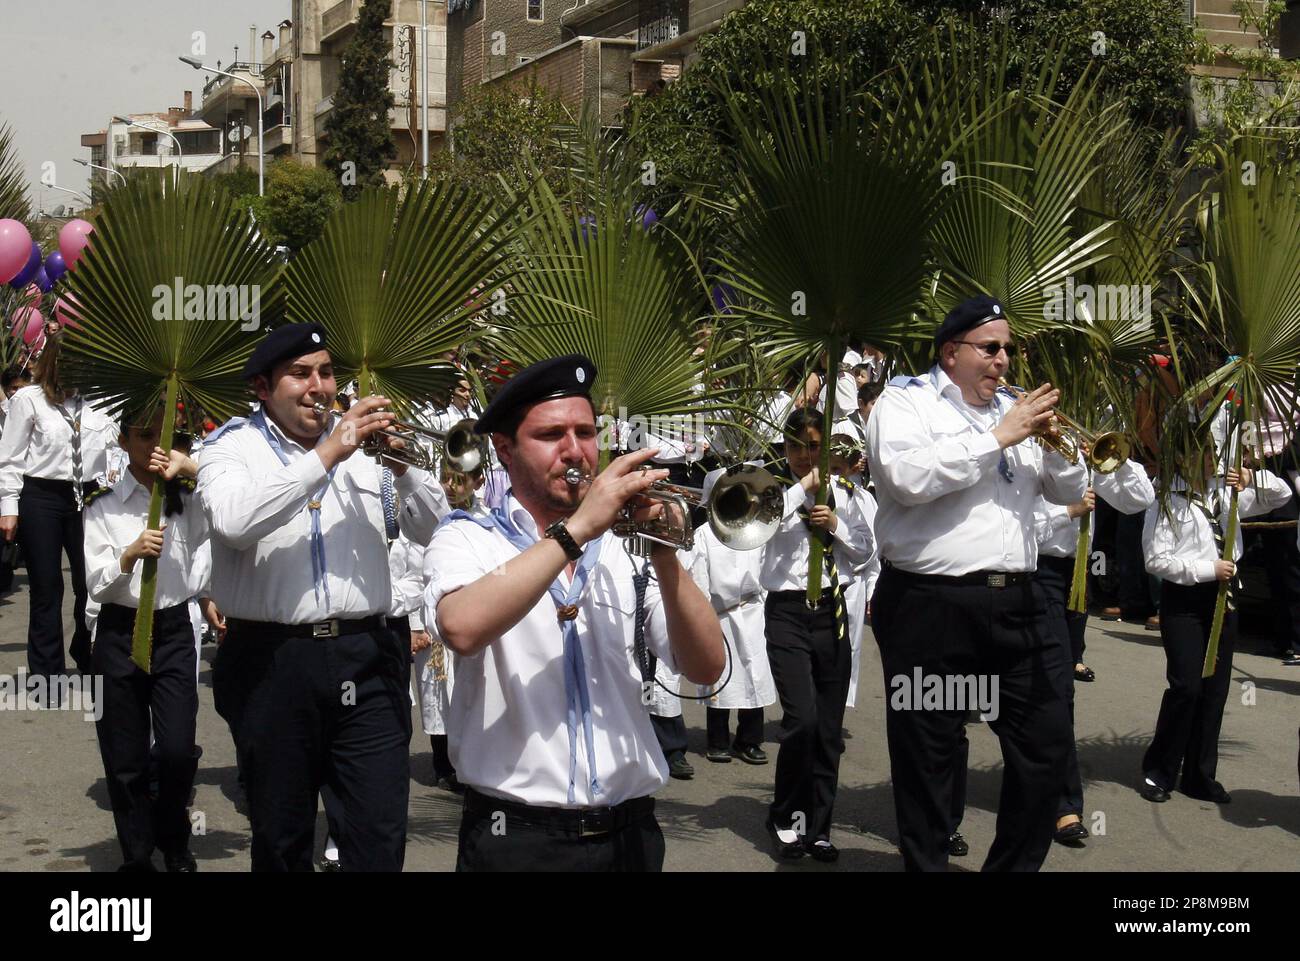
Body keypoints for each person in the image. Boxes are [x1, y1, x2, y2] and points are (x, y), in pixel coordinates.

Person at [422, 353, 725, 872]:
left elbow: (705, 667)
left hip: (629, 835)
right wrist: (578, 531)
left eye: (586, 433)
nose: (575, 452)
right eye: (550, 435)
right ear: (503, 448)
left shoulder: (627, 548)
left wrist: (666, 552)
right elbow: (462, 628)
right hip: (514, 838)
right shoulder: (467, 538)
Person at [199, 322, 445, 872]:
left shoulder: (368, 450)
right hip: (273, 660)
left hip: (368, 652)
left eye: (327, 373)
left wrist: (405, 471)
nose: (320, 387)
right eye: (300, 374)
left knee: (378, 833)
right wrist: (330, 452)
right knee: (281, 835)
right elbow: (235, 522)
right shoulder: (229, 447)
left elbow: (434, 530)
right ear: (262, 388)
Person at [865, 295, 1087, 872]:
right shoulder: (904, 401)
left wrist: (1059, 446)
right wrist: (1000, 438)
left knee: (1046, 747)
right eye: (990, 348)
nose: (1003, 361)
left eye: (1008, 349)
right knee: (929, 757)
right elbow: (908, 478)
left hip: (1021, 599)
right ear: (951, 352)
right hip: (931, 605)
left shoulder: (1013, 409)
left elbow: (1067, 493)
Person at [83, 407, 217, 872]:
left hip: (174, 629)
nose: (153, 444)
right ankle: (137, 855)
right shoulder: (102, 504)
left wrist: (204, 595)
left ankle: (173, 837)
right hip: (120, 630)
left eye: (163, 435)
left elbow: (212, 542)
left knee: (178, 749)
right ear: (122, 442)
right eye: (142, 435)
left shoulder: (186, 496)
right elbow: (97, 583)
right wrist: (129, 554)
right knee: (125, 757)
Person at [1139, 456, 1289, 804]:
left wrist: (1252, 477)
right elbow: (1155, 559)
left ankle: (1199, 774)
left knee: (1215, 690)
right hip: (1185, 599)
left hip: (1225, 597)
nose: (1213, 462)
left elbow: (1280, 495)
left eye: (1214, 455)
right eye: (1204, 455)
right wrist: (1209, 569)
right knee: (1186, 686)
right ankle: (1158, 770)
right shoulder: (1166, 499)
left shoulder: (1229, 493)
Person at [761, 408, 874, 863]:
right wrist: (803, 489)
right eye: (795, 447)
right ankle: (785, 816)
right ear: (784, 450)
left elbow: (866, 551)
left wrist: (837, 526)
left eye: (813, 446)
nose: (804, 455)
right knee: (802, 720)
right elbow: (755, 526)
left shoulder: (846, 493)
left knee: (828, 729)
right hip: (787, 610)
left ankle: (820, 827)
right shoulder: (771, 492)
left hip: (834, 610)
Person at [1033, 458, 1154, 845]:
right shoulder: (1030, 442)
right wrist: (1068, 510)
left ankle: (1058, 799)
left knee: (1058, 687)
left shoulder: (1091, 458)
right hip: (1036, 568)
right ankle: (1056, 800)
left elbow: (1138, 499)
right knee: (1051, 689)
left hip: (1078, 571)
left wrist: (1115, 461)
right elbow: (1013, 521)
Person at [0, 330, 117, 684]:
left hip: (92, 495)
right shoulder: (30, 400)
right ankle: (47, 673)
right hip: (42, 496)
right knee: (47, 585)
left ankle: (87, 653)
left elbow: (118, 448)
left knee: (91, 583)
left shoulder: (100, 401)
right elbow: (11, 458)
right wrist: (9, 505)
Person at [690, 466, 775, 766]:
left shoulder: (757, 528)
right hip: (720, 614)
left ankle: (749, 740)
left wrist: (761, 601)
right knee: (721, 677)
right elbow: (698, 575)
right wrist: (704, 613)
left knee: (754, 676)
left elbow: (766, 566)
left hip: (753, 611)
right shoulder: (703, 535)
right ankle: (718, 740)